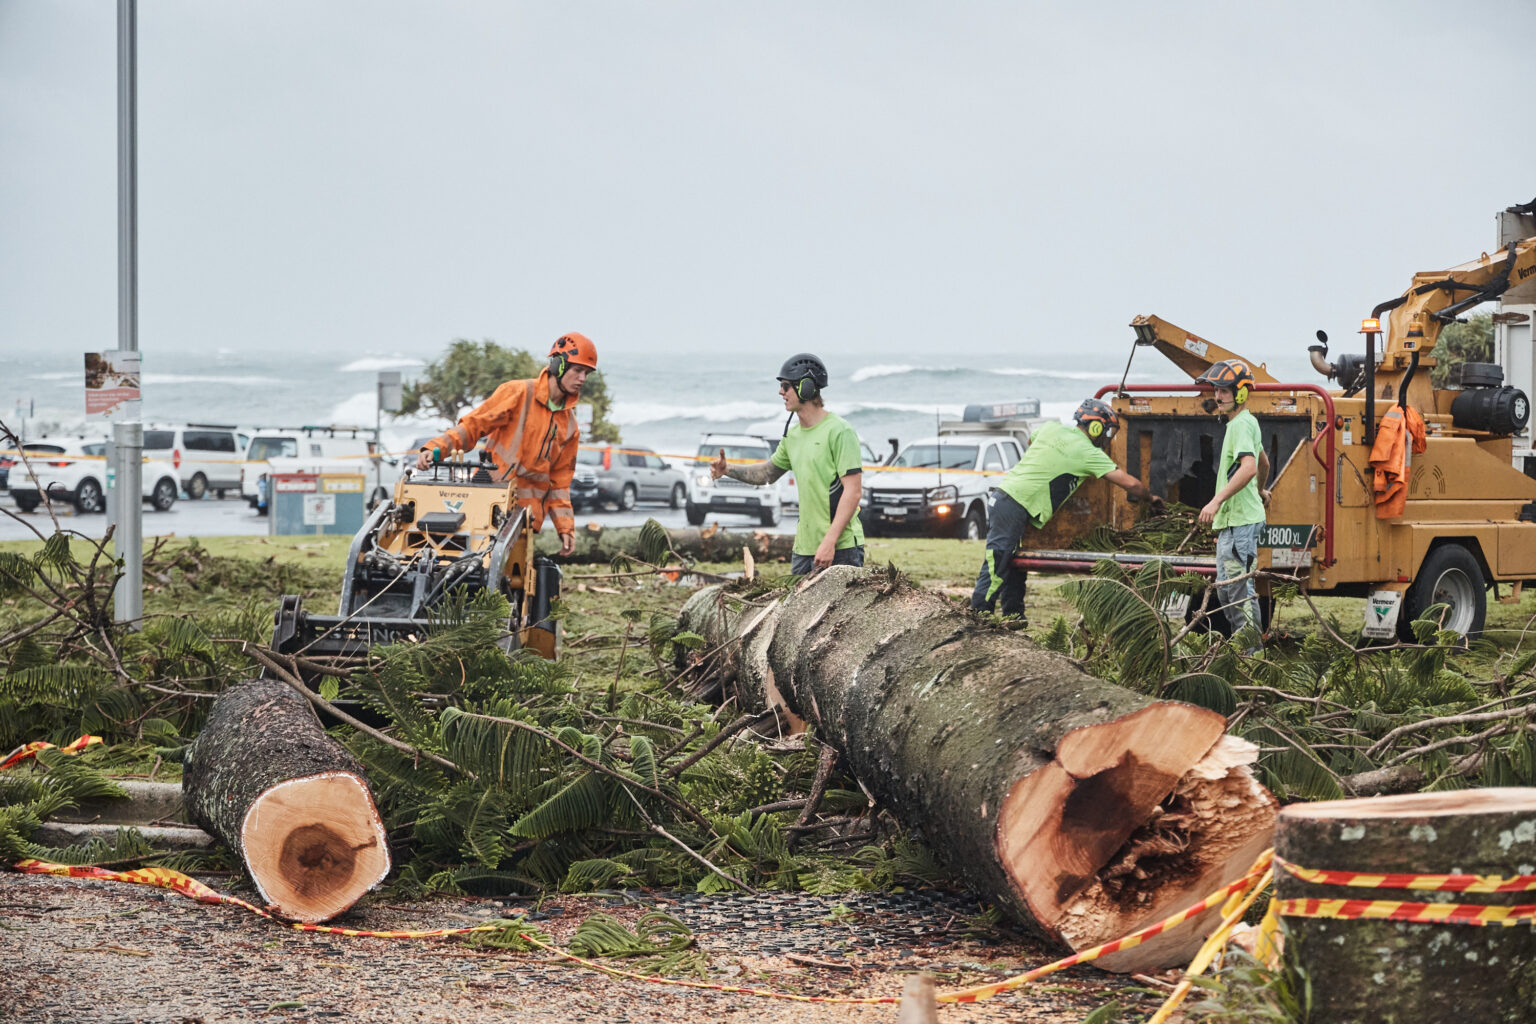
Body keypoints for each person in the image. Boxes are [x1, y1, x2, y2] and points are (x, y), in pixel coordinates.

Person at [971, 398, 1162, 623]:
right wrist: (1151, 498)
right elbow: (1130, 484)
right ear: (1096, 427)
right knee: (999, 559)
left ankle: (1014, 616)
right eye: (1106, 432)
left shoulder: (1051, 428)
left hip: (1004, 497)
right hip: (1014, 503)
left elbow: (1032, 439)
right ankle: (979, 616)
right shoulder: (1089, 453)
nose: (1106, 438)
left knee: (1013, 561)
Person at [415, 332, 597, 557]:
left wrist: (565, 527)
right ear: (558, 365)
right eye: (578, 370)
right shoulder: (518, 393)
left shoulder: (570, 426)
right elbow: (473, 426)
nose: (582, 379)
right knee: (475, 567)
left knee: (515, 582)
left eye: (586, 373)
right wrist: (434, 448)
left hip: (526, 519)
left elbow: (559, 484)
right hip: (490, 505)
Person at [709, 353, 865, 574]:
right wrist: (728, 470)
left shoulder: (840, 431)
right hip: (804, 548)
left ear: (807, 387)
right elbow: (767, 473)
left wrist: (829, 542)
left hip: (841, 547)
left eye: (785, 386)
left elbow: (853, 491)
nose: (780, 392)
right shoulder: (792, 436)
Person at [1194, 359, 1270, 646]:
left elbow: (1249, 467)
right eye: (1216, 390)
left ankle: (1252, 655)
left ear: (1240, 393)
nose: (1217, 396)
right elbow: (1263, 463)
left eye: (1225, 390)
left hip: (1240, 522)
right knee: (1227, 592)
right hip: (1234, 521)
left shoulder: (1240, 424)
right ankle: (1247, 648)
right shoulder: (1246, 422)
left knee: (1238, 590)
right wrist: (1260, 492)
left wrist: (1215, 501)